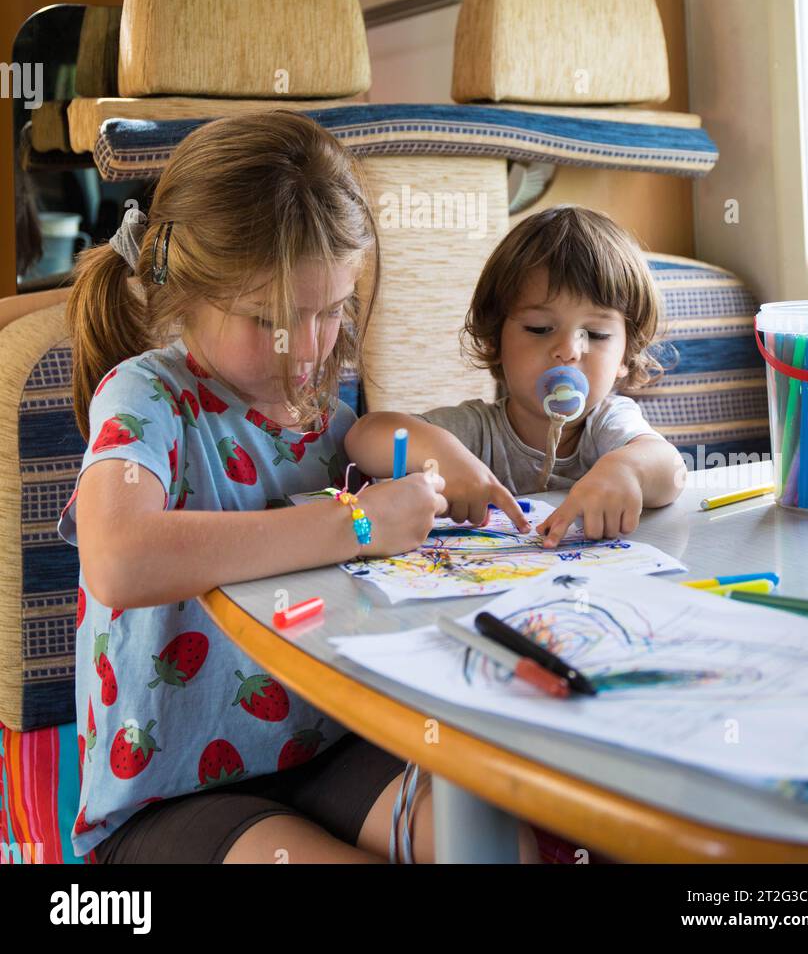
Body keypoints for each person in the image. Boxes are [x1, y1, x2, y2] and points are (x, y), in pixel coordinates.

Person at [59, 108, 535, 865]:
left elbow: (367, 446)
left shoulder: (321, 409)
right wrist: (357, 525)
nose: (310, 347)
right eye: (273, 319)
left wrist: (430, 453)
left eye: (333, 309)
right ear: (187, 294)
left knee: (492, 844)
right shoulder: (145, 397)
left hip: (323, 750)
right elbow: (118, 559)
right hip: (170, 792)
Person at [346, 205, 686, 546]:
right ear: (495, 341)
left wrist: (628, 470)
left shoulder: (609, 424)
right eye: (540, 328)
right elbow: (363, 437)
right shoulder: (478, 431)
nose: (569, 350)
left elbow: (671, 471)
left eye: (596, 334)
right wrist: (444, 453)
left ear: (625, 356)